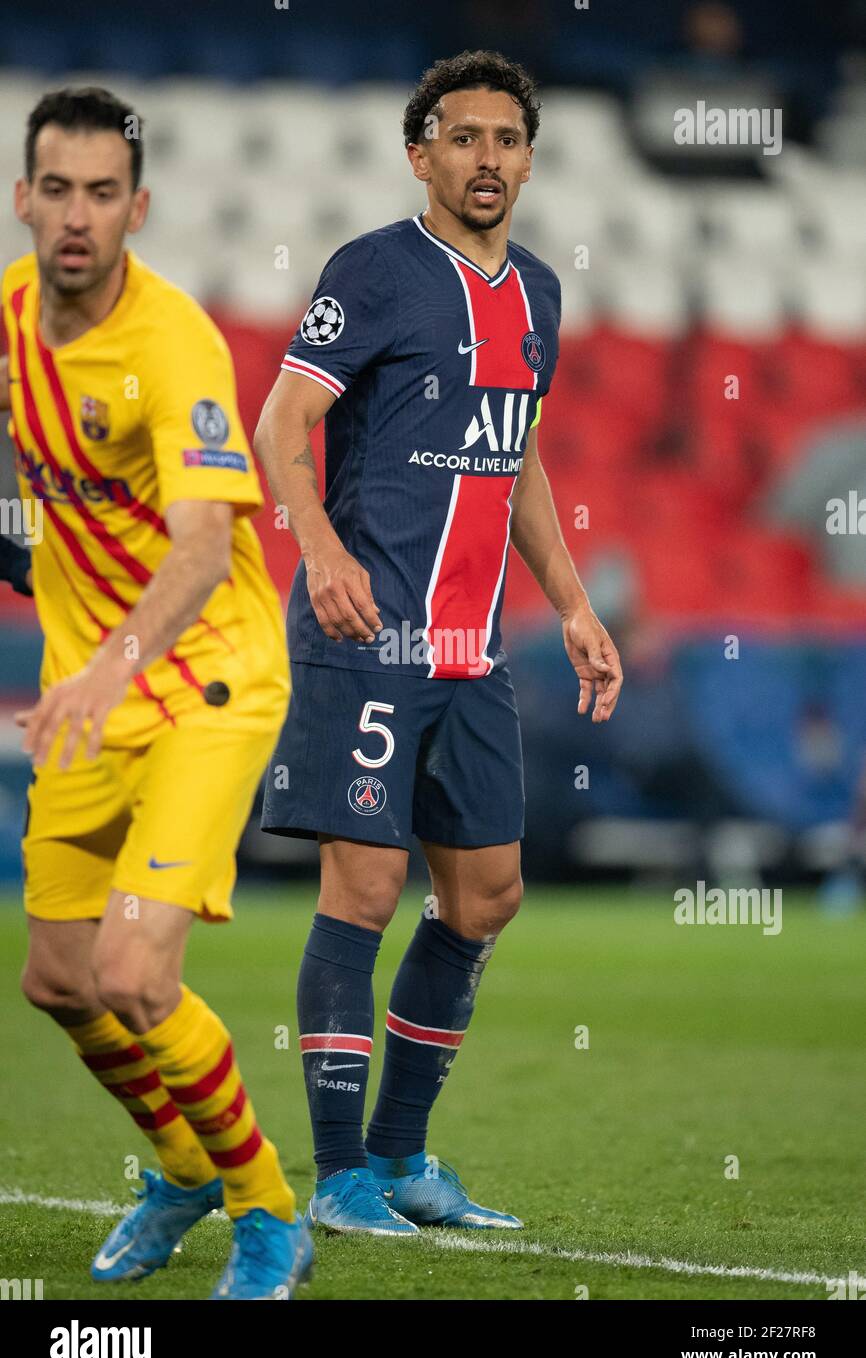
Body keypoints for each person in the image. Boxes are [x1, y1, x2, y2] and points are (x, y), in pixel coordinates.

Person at [255, 50, 623, 1235]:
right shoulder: (372, 271)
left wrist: (569, 601)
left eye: (505, 139)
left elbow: (512, 459)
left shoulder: (540, 299)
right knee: (361, 888)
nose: (485, 159)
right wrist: (314, 542)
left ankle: (403, 1155)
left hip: (473, 648)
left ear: (527, 157)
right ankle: (337, 1174)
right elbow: (282, 423)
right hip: (366, 635)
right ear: (420, 155)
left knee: (487, 897)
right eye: (460, 138)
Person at [0, 86, 311, 1298]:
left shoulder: (172, 340)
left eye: (101, 194)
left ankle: (265, 1207)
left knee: (135, 976)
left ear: (140, 207)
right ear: (25, 199)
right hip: (91, 686)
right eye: (56, 190)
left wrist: (106, 666)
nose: (77, 216)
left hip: (204, 681)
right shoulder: (17, 313)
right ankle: (180, 1167)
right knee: (60, 984)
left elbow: (196, 546)